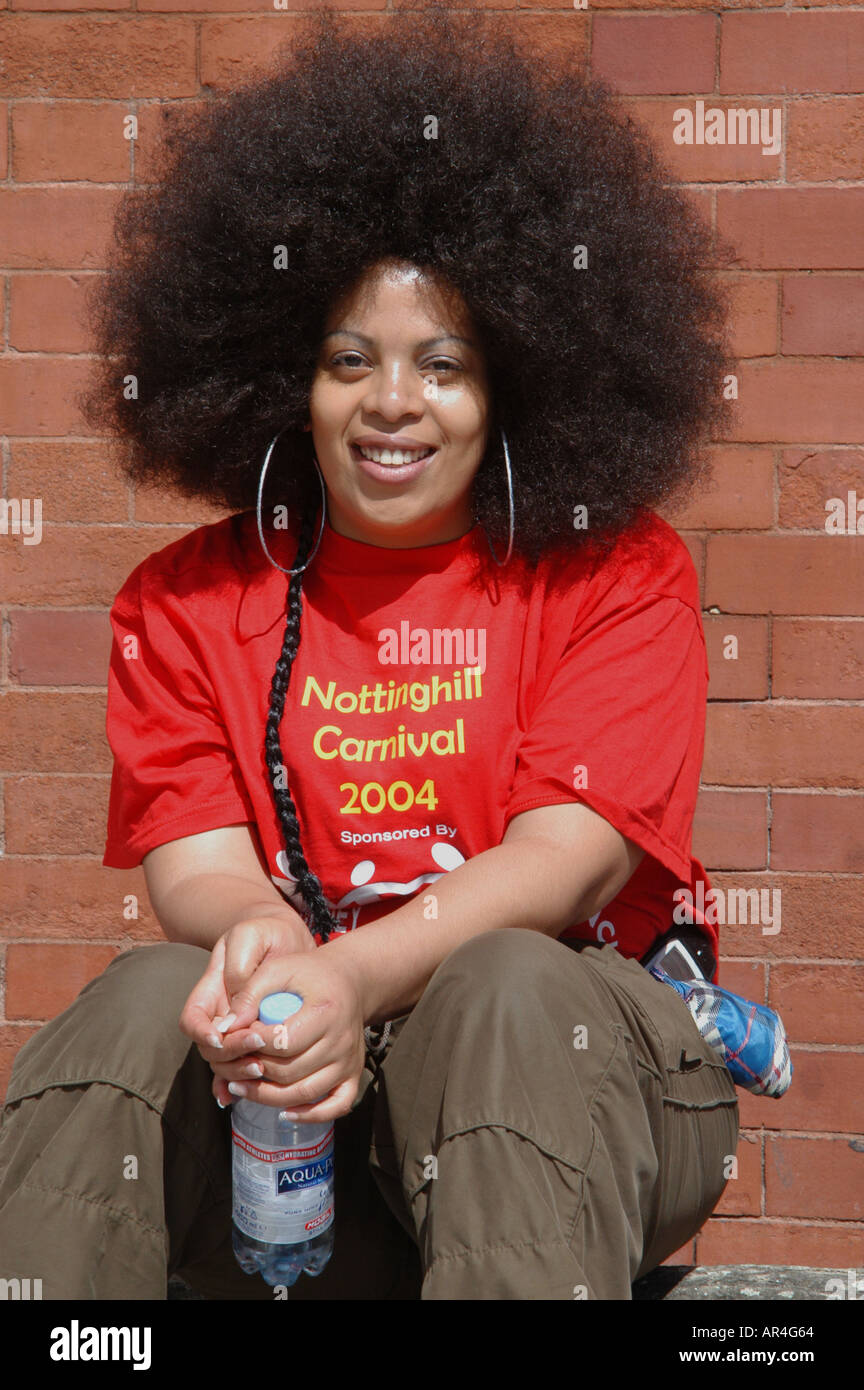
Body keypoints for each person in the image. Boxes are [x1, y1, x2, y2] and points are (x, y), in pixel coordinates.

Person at [0, 1, 740, 1300]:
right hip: (291, 1107)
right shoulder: (184, 601)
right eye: (351, 361)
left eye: (443, 364)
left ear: (513, 381)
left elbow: (563, 864)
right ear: (293, 381)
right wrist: (272, 966)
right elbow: (202, 870)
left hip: (567, 1072)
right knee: (132, 1007)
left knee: (508, 985)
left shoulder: (614, 568)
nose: (393, 400)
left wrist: (350, 974)